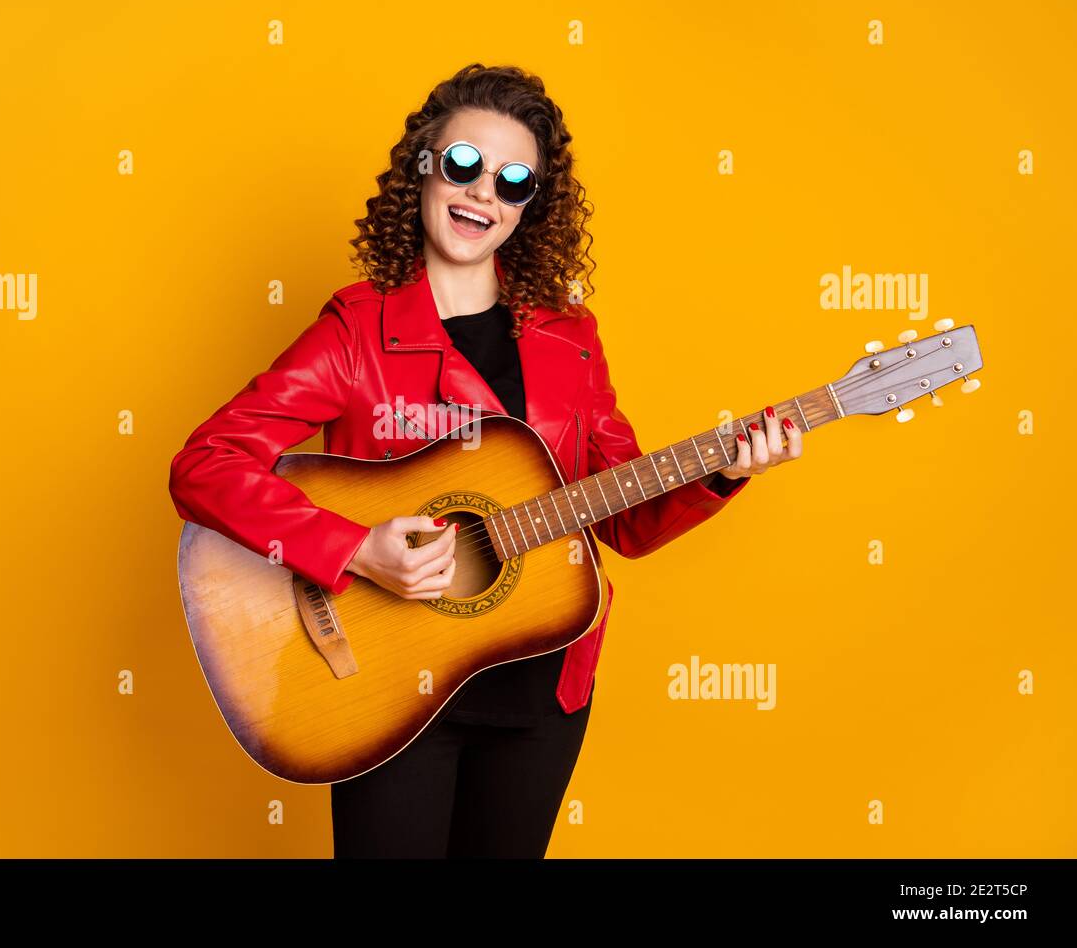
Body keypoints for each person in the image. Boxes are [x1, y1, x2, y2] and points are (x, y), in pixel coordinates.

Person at [169, 63, 803, 858]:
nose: (483, 197)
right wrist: (354, 549)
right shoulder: (356, 330)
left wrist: (725, 472)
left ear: (530, 208)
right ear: (425, 168)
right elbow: (205, 464)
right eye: (465, 166)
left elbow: (624, 521)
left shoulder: (571, 339)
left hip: (542, 697)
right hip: (386, 689)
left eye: (513, 183)